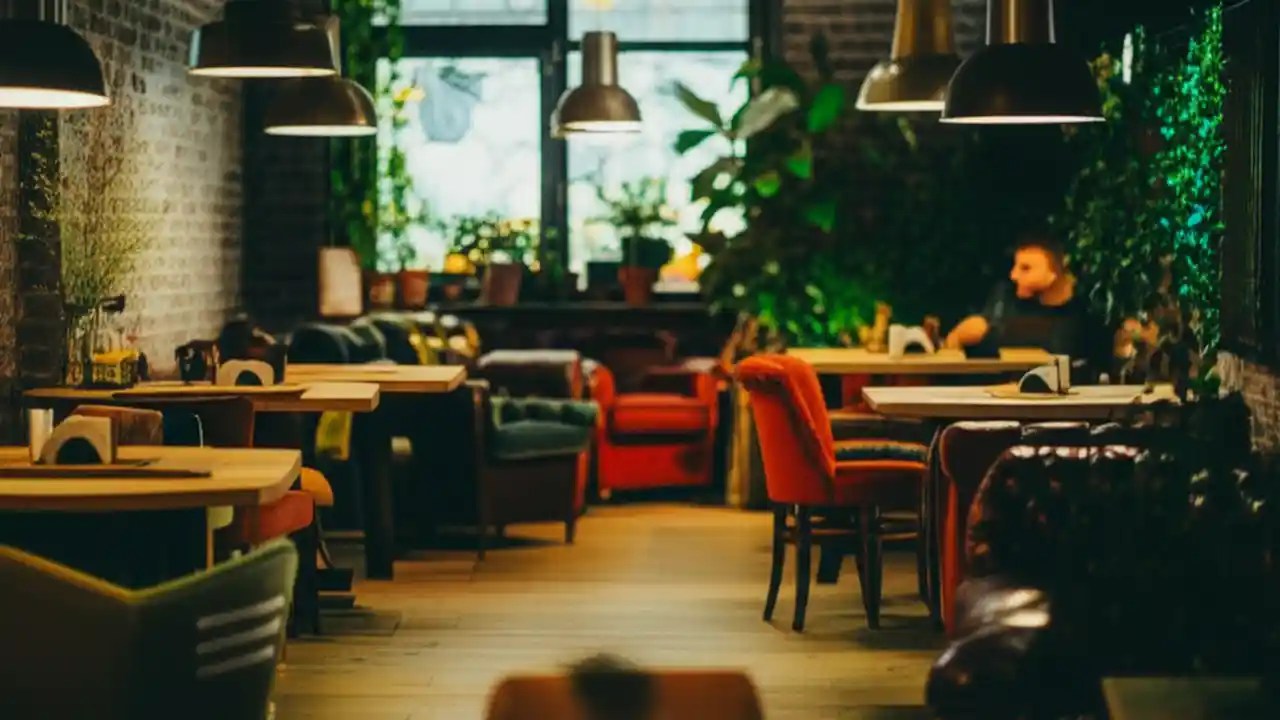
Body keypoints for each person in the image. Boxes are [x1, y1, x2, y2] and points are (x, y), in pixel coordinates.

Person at [945, 232, 1109, 381]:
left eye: (1026, 268)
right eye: (1016, 266)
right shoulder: (1007, 297)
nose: (1014, 275)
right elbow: (978, 329)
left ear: (1055, 271)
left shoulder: (1087, 311)